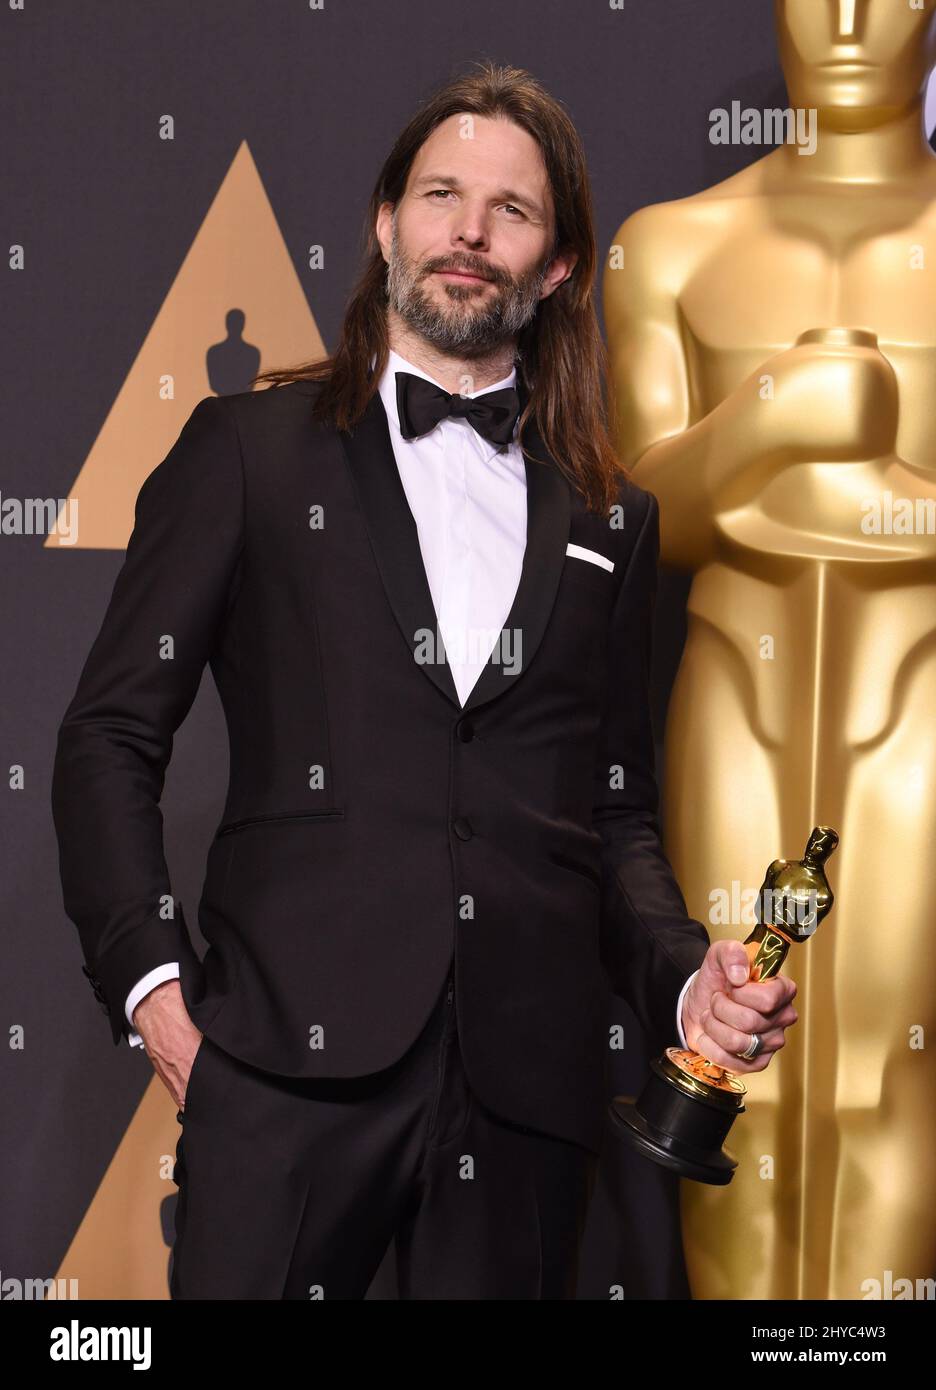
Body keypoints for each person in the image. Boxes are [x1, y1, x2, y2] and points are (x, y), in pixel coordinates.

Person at [51, 60, 798, 1301]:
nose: (469, 230)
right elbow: (107, 738)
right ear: (386, 223)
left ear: (557, 264)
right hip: (284, 1076)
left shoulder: (615, 519)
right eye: (441, 194)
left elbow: (612, 818)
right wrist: (159, 998)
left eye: (511, 210)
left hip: (526, 1101)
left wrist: (686, 979)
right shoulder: (248, 453)